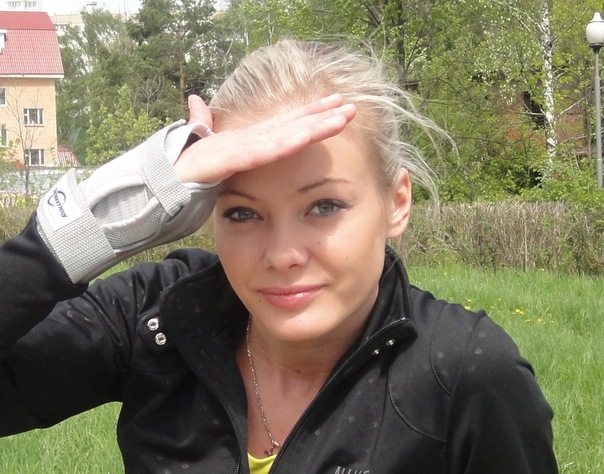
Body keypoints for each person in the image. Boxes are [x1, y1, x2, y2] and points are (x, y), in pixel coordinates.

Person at [0, 40, 557, 473]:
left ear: (396, 202)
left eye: (324, 206)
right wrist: (109, 215)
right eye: (243, 213)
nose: (283, 255)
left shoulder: (464, 376)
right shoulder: (159, 318)